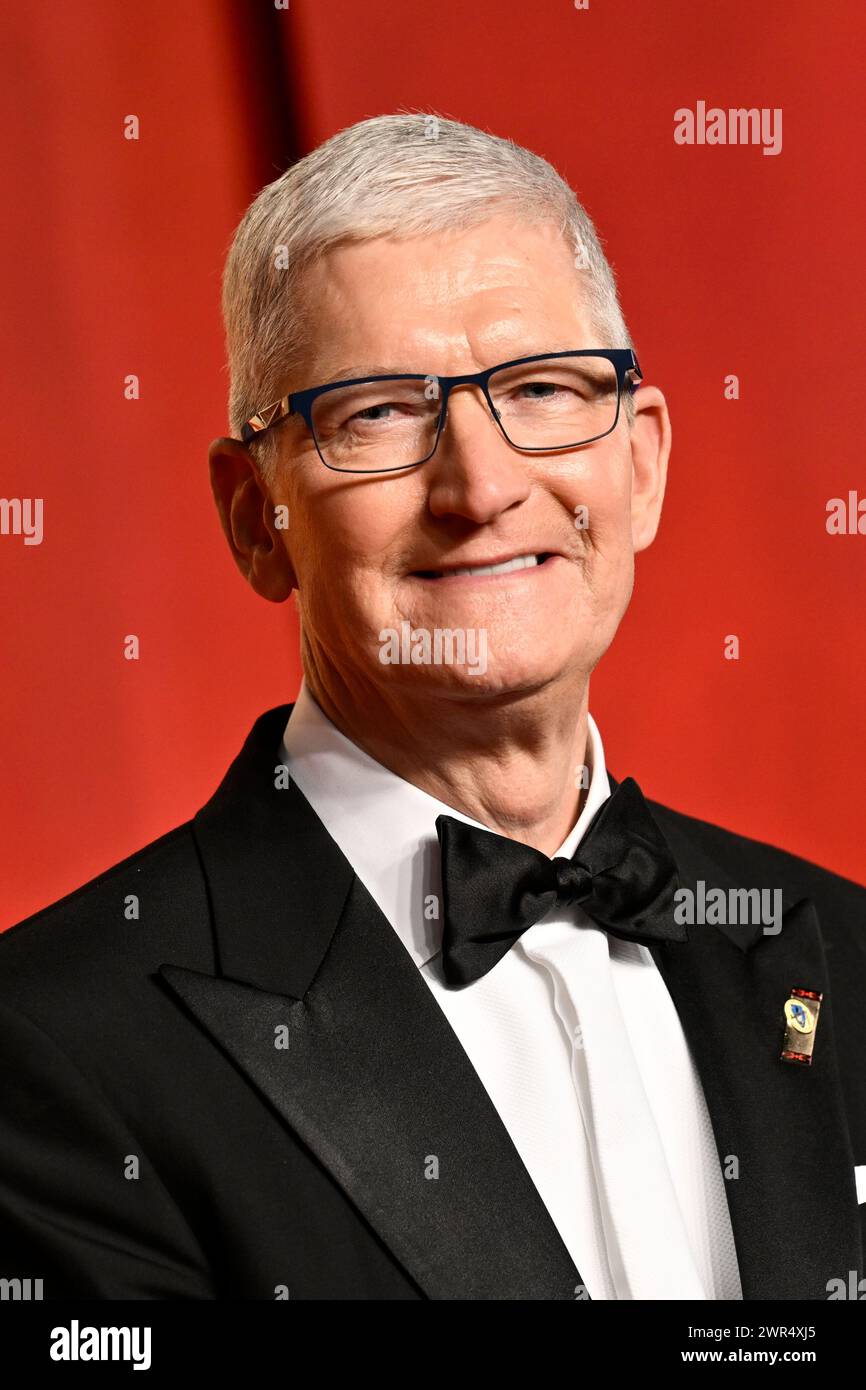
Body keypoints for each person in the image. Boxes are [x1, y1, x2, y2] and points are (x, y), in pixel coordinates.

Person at [1, 113, 863, 1301]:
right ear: (258, 519)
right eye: (378, 414)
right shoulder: (53, 1047)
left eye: (545, 389)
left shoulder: (841, 953)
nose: (483, 485)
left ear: (641, 464)